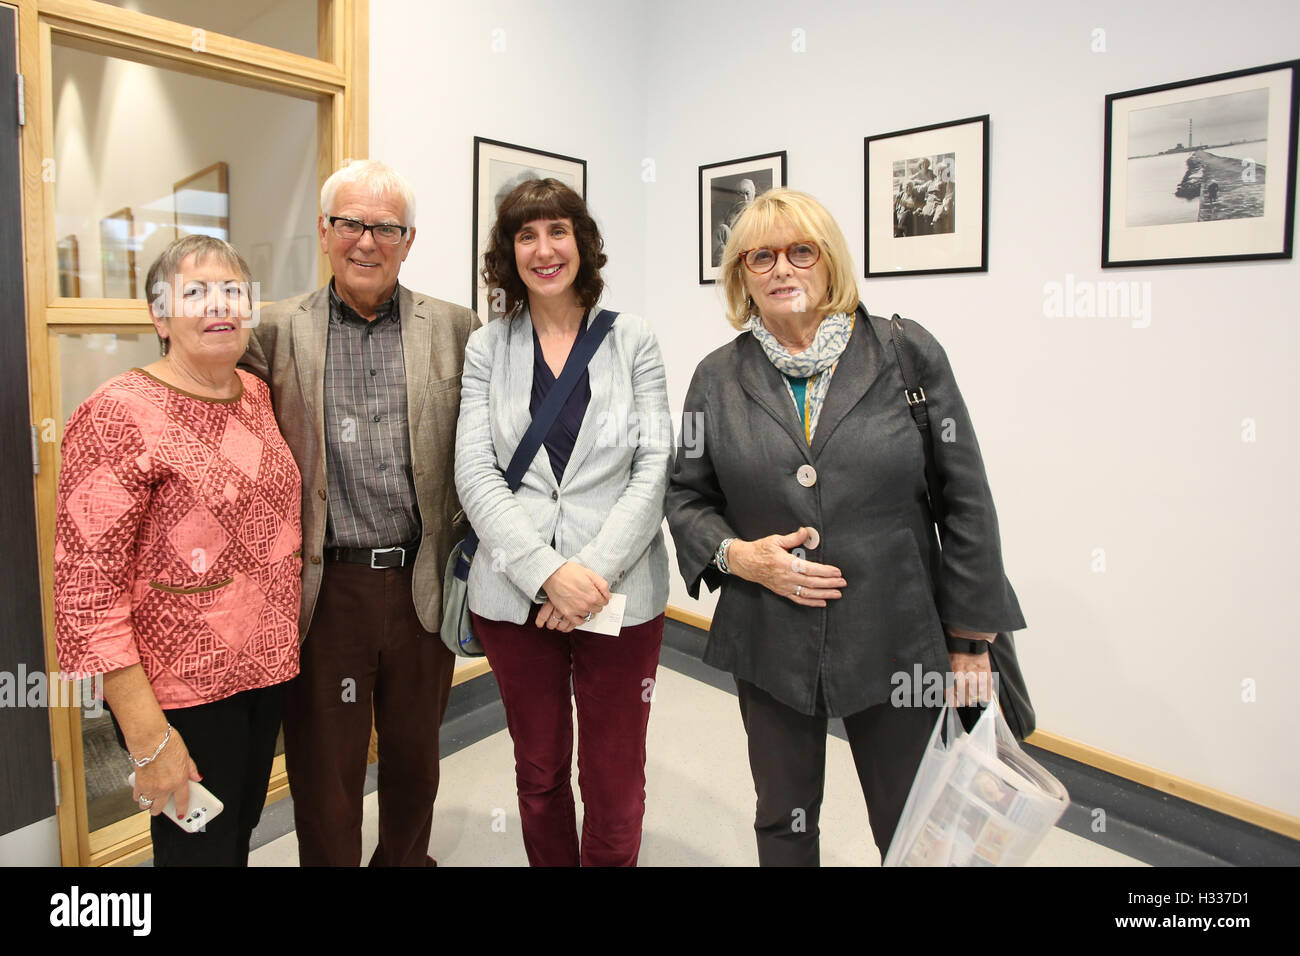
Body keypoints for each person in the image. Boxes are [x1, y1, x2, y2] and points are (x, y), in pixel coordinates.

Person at [665, 188, 1024, 866]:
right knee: (784, 819)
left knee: (914, 825)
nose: (782, 268)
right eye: (761, 256)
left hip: (895, 633)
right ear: (741, 275)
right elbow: (685, 495)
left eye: (801, 251)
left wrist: (971, 642)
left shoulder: (905, 352)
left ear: (829, 261)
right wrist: (739, 556)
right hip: (769, 634)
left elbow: (966, 499)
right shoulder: (715, 377)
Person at [239, 159, 477, 867]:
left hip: (421, 583)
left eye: (386, 228)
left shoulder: (456, 327)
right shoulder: (273, 330)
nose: (367, 241)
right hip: (325, 590)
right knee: (325, 775)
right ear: (324, 231)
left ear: (409, 241)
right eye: (350, 223)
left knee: (415, 762)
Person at [54, 235, 302, 866]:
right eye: (195, 292)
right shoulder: (117, 412)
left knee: (238, 830)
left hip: (265, 670)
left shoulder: (255, 395)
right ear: (159, 317)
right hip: (179, 694)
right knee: (198, 853)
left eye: (232, 290)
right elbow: (86, 593)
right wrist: (147, 738)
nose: (218, 304)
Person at [455, 178, 671, 866]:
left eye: (558, 231)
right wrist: (547, 573)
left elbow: (654, 464)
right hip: (515, 593)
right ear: (508, 252)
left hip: (618, 590)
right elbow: (474, 471)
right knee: (540, 771)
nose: (544, 249)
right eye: (526, 235)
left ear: (583, 243)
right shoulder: (488, 346)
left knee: (614, 781)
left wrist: (589, 575)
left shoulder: (632, 338)